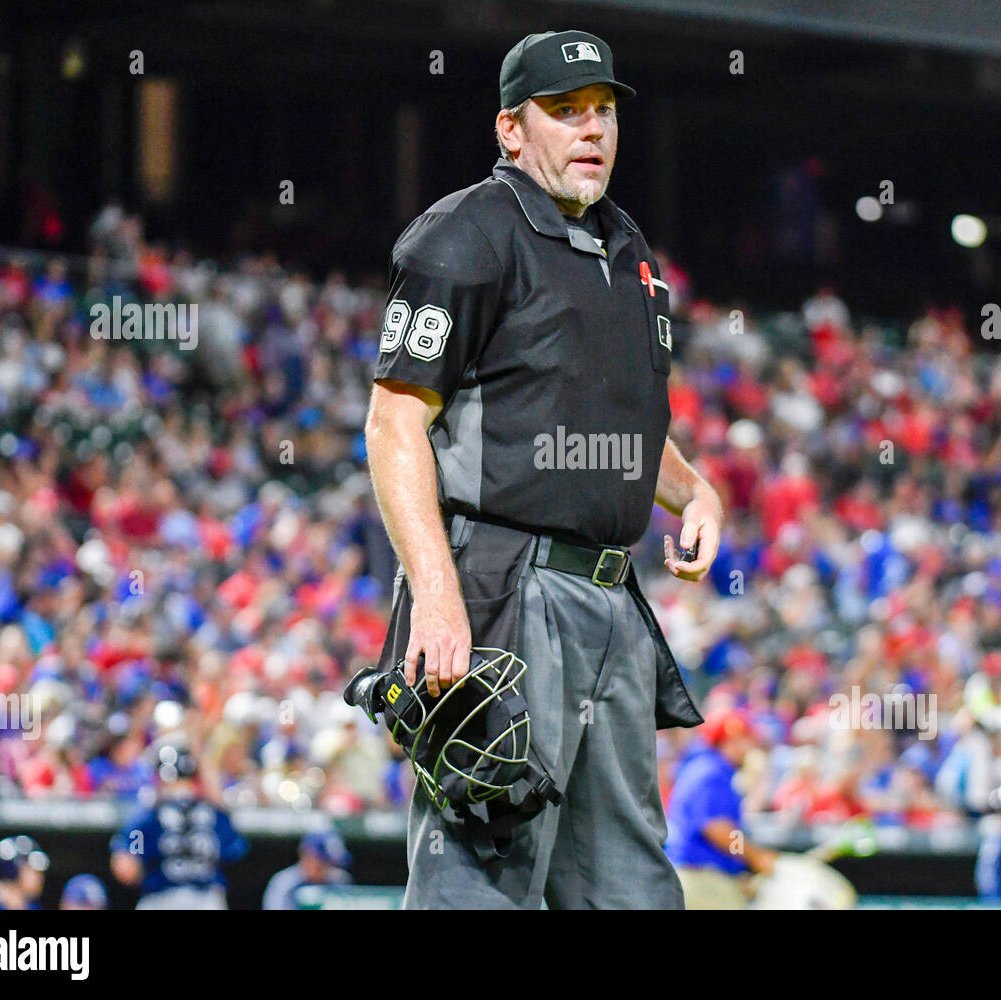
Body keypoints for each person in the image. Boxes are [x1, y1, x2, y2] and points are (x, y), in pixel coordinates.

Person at [366, 28, 720, 909]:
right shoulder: (464, 236)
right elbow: (393, 424)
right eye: (564, 111)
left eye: (601, 110)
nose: (590, 127)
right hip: (503, 591)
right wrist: (438, 598)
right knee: (481, 872)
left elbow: (622, 422)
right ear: (511, 130)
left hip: (610, 600)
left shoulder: (627, 249)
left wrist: (694, 490)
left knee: (628, 889)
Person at [109, 744, 248, 909]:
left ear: (158, 777)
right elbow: (235, 851)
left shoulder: (148, 817)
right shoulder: (215, 814)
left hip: (162, 899)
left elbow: (126, 867)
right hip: (207, 901)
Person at [665, 709, 778, 907]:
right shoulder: (711, 772)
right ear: (732, 740)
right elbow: (718, 829)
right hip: (701, 879)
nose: (751, 747)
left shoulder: (707, 767)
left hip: (700, 878)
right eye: (747, 739)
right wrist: (756, 857)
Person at [262, 830, 353, 910]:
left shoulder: (339, 881)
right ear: (307, 856)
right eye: (323, 863)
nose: (328, 868)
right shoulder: (285, 883)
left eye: (332, 864)